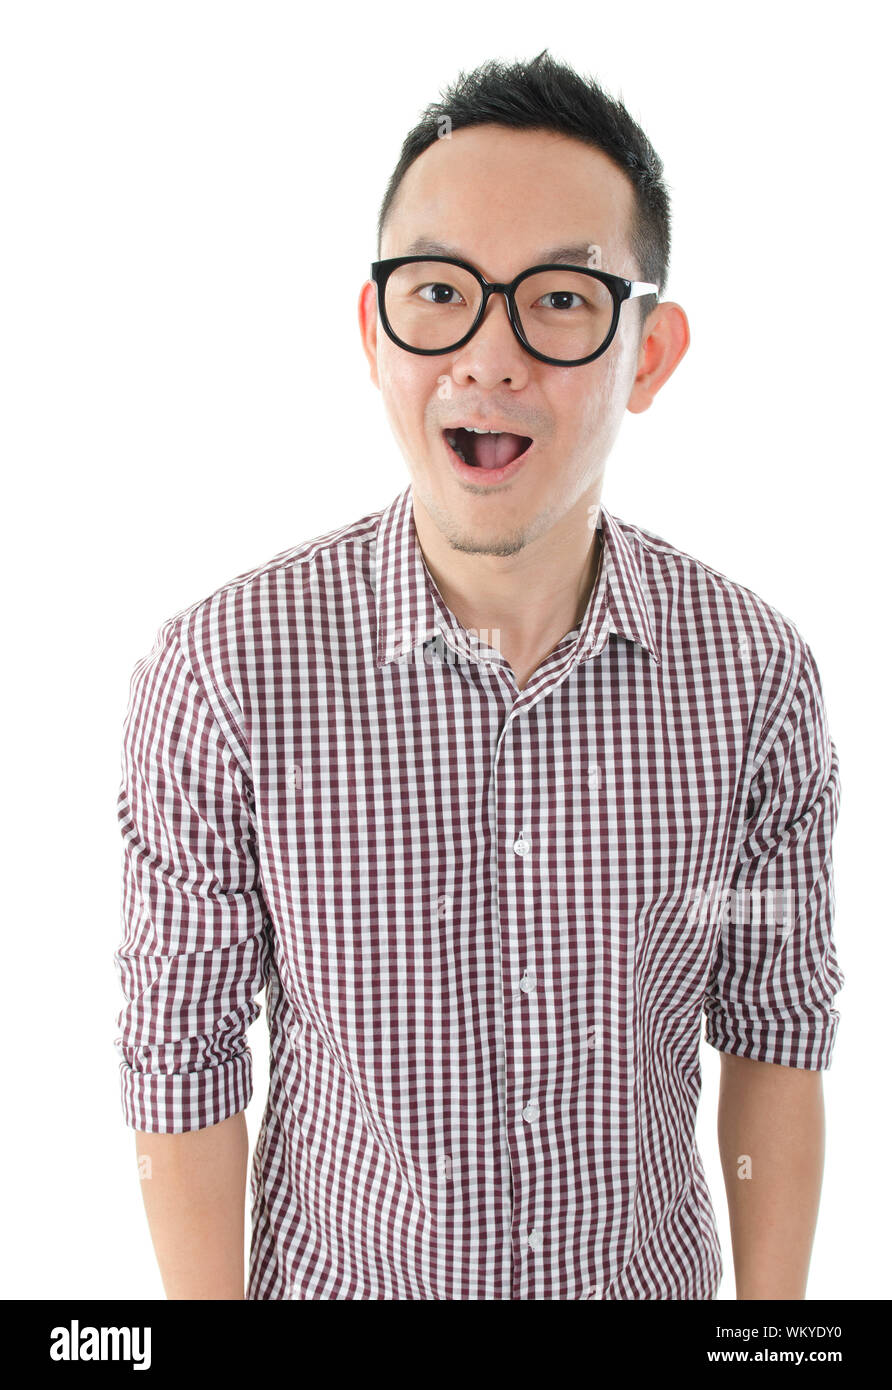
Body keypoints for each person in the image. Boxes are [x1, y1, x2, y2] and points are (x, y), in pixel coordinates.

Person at [114, 50, 844, 1300]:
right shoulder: (223, 672)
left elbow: (773, 1037)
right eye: (440, 291)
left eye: (559, 298)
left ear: (649, 352)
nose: (488, 356)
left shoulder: (757, 677)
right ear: (374, 330)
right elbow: (181, 1060)